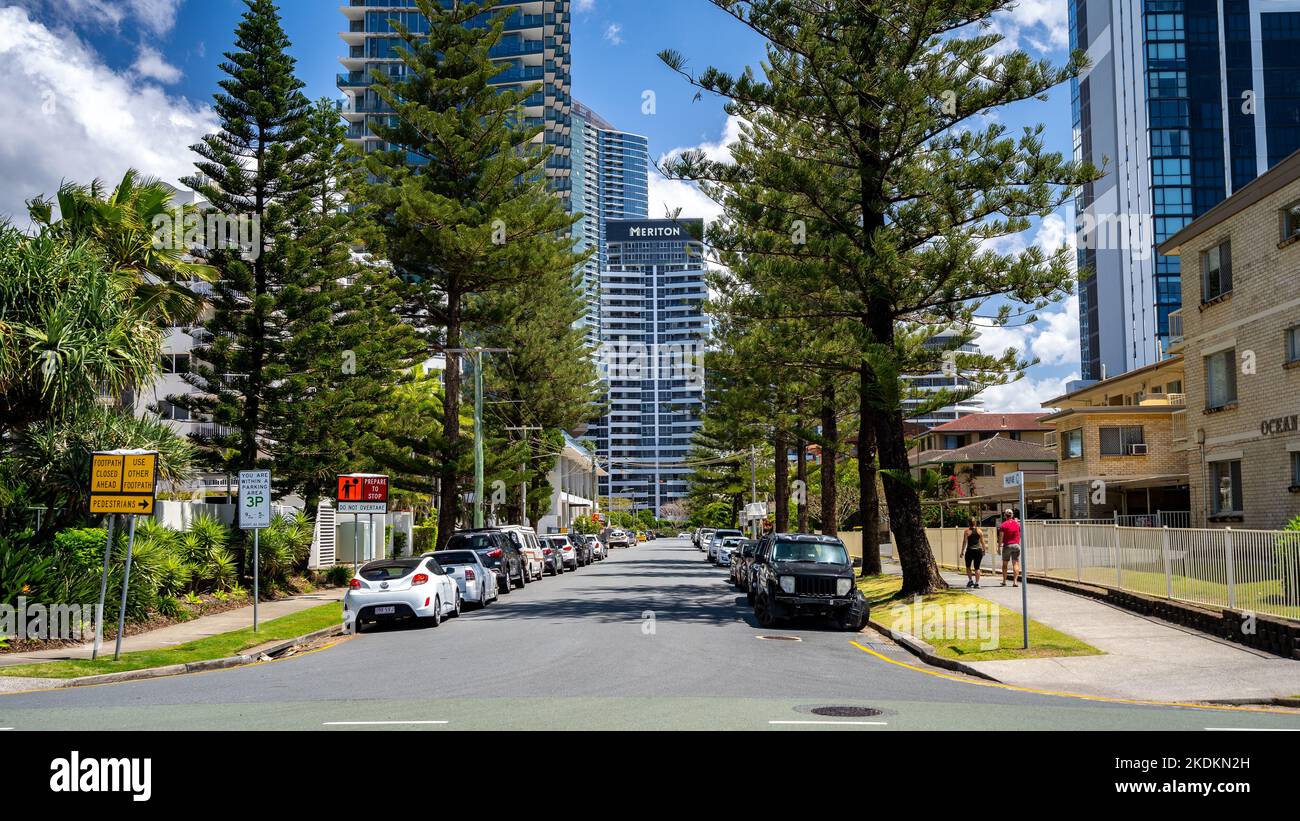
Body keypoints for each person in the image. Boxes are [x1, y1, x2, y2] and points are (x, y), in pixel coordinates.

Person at [996, 508, 1022, 587]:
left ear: (1005, 516)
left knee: (1005, 564)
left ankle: (1004, 581)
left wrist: (999, 546)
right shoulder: (1017, 524)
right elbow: (1019, 532)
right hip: (1016, 545)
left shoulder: (1003, 525)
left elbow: (1001, 537)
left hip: (1007, 545)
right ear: (1012, 515)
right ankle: (1015, 582)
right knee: (1015, 563)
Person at [960, 516, 986, 588]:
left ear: (968, 523)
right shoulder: (979, 531)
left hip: (970, 550)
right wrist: (984, 550)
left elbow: (964, 542)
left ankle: (970, 580)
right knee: (977, 568)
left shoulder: (967, 531)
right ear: (975, 522)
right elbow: (982, 542)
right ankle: (977, 583)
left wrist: (962, 551)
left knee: (968, 566)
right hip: (978, 550)